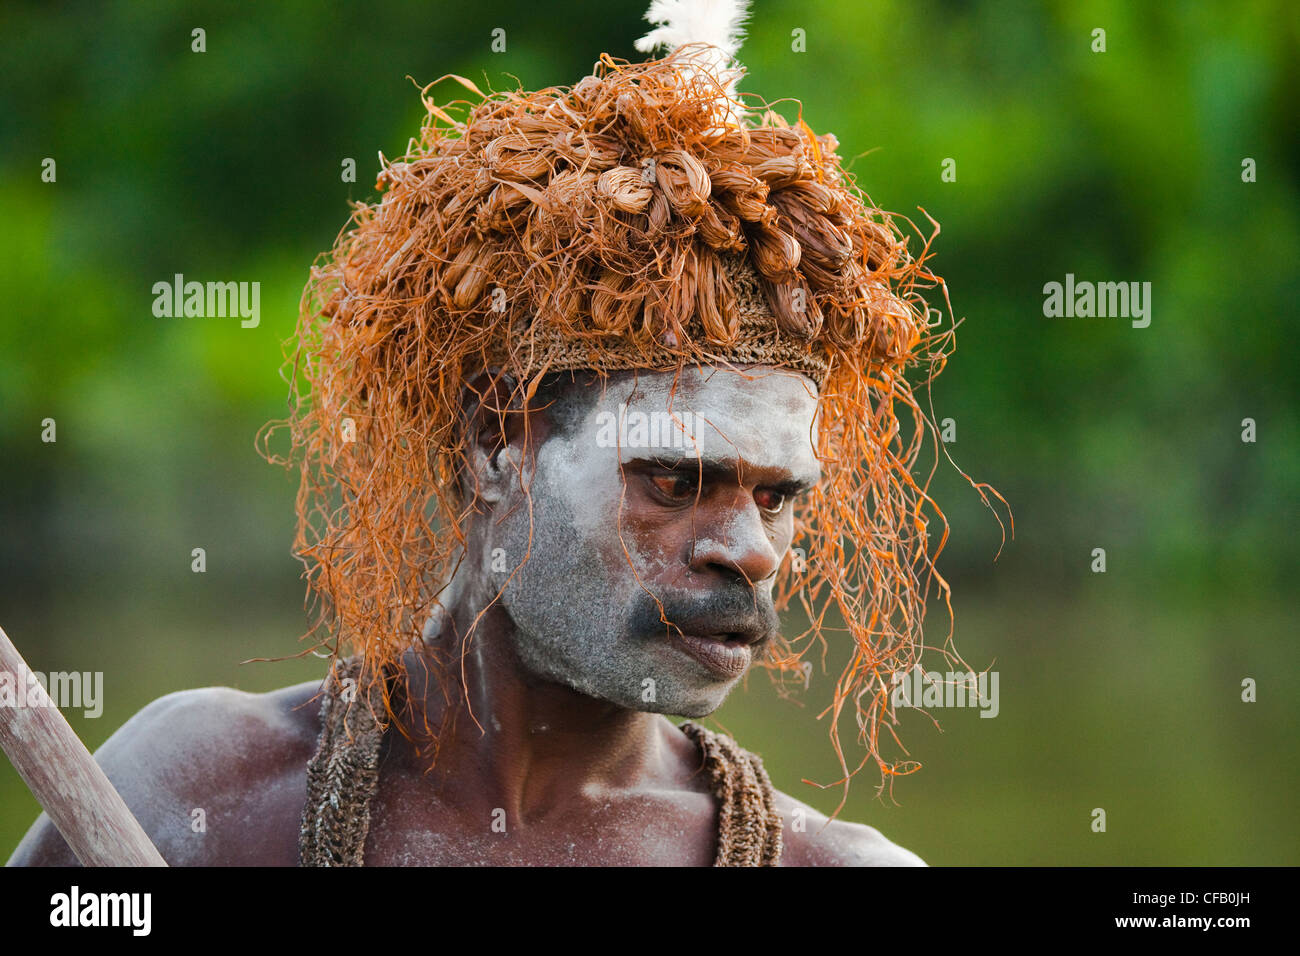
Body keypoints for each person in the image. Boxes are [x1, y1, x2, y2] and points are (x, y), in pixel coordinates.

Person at [10, 0, 981, 866]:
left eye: (776, 495)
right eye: (677, 483)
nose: (749, 550)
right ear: (494, 445)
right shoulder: (197, 799)